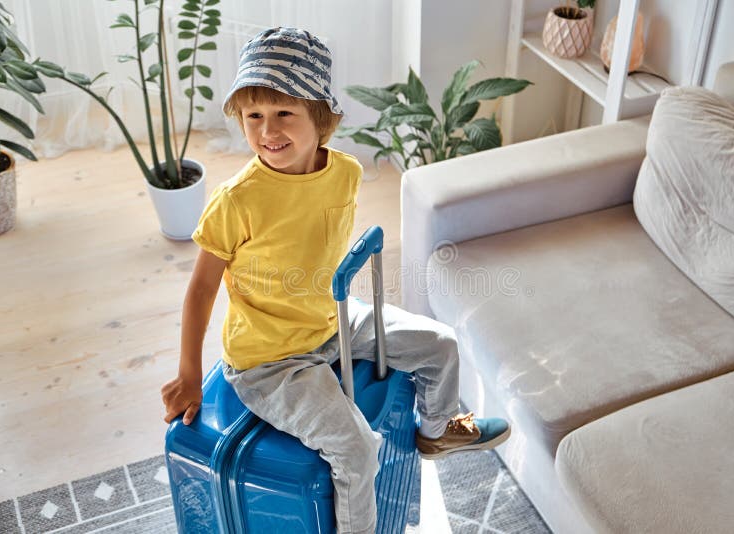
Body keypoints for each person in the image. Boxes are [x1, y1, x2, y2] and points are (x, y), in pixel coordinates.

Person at [160, 27, 511, 534]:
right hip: (269, 361)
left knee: (440, 343)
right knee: (355, 447)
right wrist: (190, 373)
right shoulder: (237, 200)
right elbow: (200, 291)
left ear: (320, 118)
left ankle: (435, 433)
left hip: (329, 323)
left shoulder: (344, 172)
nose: (266, 130)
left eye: (284, 112)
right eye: (253, 115)